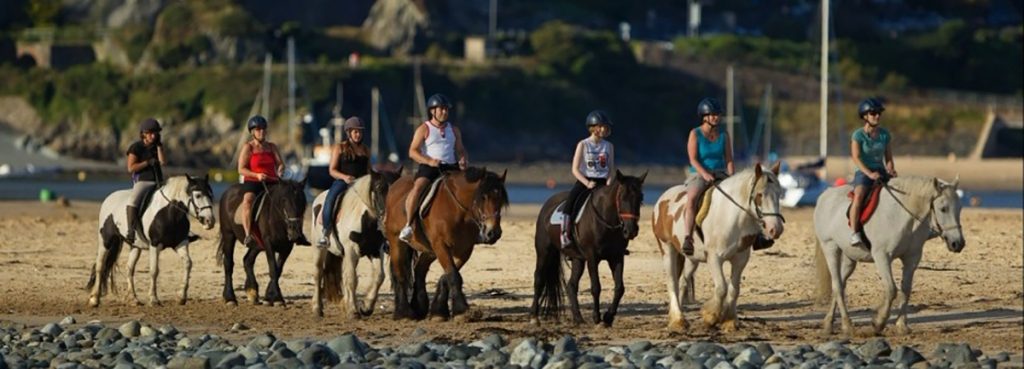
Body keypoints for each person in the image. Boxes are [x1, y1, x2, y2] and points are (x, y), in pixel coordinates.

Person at [398, 93, 468, 243]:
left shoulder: (454, 130)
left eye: (446, 109)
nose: (445, 112)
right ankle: (409, 225)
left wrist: (463, 159)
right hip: (430, 167)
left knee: (469, 189)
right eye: (441, 109)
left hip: (451, 167)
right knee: (417, 188)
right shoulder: (424, 128)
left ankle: (472, 225)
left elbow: (461, 149)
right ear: (432, 111)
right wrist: (429, 161)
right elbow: (412, 151)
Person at [681, 98, 735, 255]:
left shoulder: (724, 135)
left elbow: (729, 159)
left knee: (741, 196)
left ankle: (755, 236)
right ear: (704, 116)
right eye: (712, 115)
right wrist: (705, 174)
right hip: (699, 174)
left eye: (718, 114)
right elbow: (693, 159)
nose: (716, 117)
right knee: (692, 199)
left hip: (720, 173)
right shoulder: (695, 133)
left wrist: (732, 177)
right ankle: (688, 238)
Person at [560, 110, 616, 250]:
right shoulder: (583, 145)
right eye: (603, 126)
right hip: (586, 181)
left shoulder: (609, 146)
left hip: (603, 181)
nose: (606, 129)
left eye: (607, 127)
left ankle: (618, 238)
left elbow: (610, 169)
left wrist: (609, 183)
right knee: (571, 203)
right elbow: (575, 169)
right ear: (595, 127)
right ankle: (565, 234)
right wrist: (587, 183)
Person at [317, 117, 372, 248]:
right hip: (344, 182)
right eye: (355, 132)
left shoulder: (365, 150)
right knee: (331, 198)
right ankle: (326, 232)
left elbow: (369, 170)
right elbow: (332, 170)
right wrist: (345, 177)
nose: (358, 135)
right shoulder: (339, 148)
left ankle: (383, 234)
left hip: (362, 184)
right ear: (348, 133)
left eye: (360, 132)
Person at [849, 97, 896, 249]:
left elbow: (888, 158)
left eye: (878, 113)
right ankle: (854, 232)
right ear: (865, 116)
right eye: (873, 113)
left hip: (881, 171)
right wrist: (869, 174)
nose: (877, 116)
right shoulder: (857, 135)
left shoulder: (885, 135)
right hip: (864, 172)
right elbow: (856, 158)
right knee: (859, 196)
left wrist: (891, 168)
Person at [237, 115, 285, 247]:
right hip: (253, 181)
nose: (261, 131)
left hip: (272, 181)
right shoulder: (248, 147)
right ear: (252, 132)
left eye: (263, 129)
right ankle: (247, 235)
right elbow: (241, 169)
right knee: (247, 202)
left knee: (289, 199)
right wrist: (256, 175)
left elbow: (280, 163)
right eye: (258, 129)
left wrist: (280, 170)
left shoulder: (272, 146)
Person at [125, 118, 165, 246]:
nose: (153, 136)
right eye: (150, 133)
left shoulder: (157, 146)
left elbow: (163, 162)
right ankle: (131, 231)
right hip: (144, 181)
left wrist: (159, 147)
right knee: (133, 201)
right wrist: (147, 163)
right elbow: (131, 168)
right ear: (144, 133)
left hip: (159, 181)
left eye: (155, 133)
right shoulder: (136, 147)